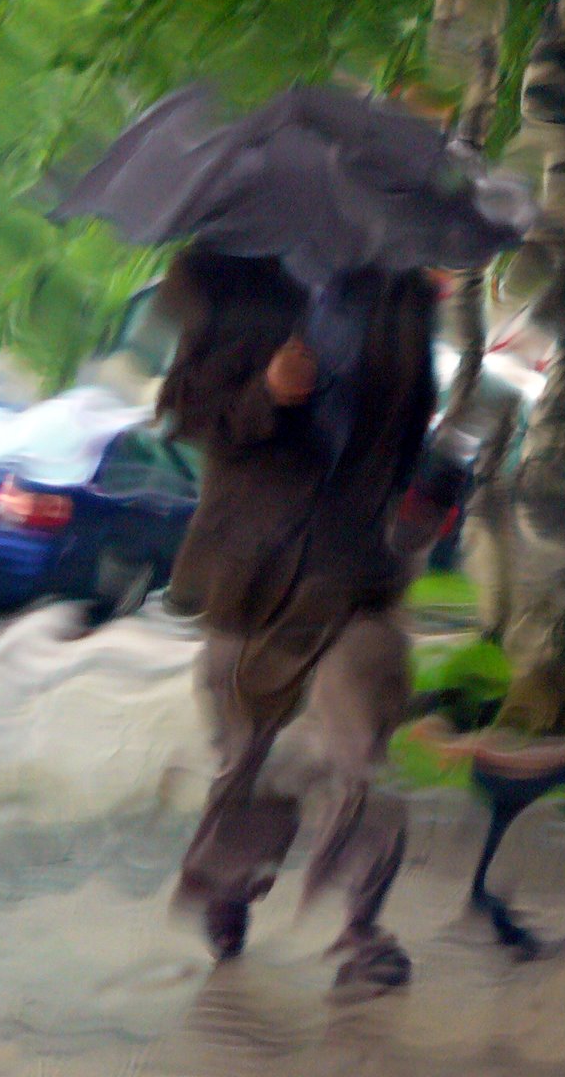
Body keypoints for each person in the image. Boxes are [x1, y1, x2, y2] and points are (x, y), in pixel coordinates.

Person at [156, 245, 464, 992]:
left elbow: (413, 422)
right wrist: (265, 392)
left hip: (355, 569)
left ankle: (362, 932)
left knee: (360, 748)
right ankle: (232, 878)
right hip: (250, 568)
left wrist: (437, 482)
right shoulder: (227, 276)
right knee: (248, 754)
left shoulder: (400, 292)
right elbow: (183, 411)